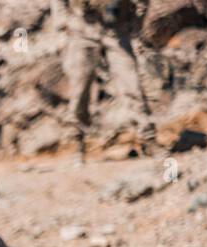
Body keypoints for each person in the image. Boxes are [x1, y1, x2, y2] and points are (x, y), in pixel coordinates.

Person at [52, 0, 157, 155]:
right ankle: (76, 144)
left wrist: (135, 24)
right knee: (79, 91)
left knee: (131, 84)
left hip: (116, 31)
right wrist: (63, 22)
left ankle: (148, 139)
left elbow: (142, 3)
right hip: (82, 29)